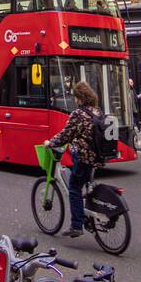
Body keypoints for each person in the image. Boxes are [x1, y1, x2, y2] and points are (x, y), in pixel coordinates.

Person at [47, 80, 101, 238]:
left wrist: (50, 143)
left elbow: (66, 135)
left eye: (76, 97)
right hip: (97, 156)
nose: (75, 100)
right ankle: (90, 214)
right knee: (86, 183)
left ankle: (77, 225)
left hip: (84, 156)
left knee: (74, 188)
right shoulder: (97, 111)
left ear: (80, 98)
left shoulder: (78, 114)